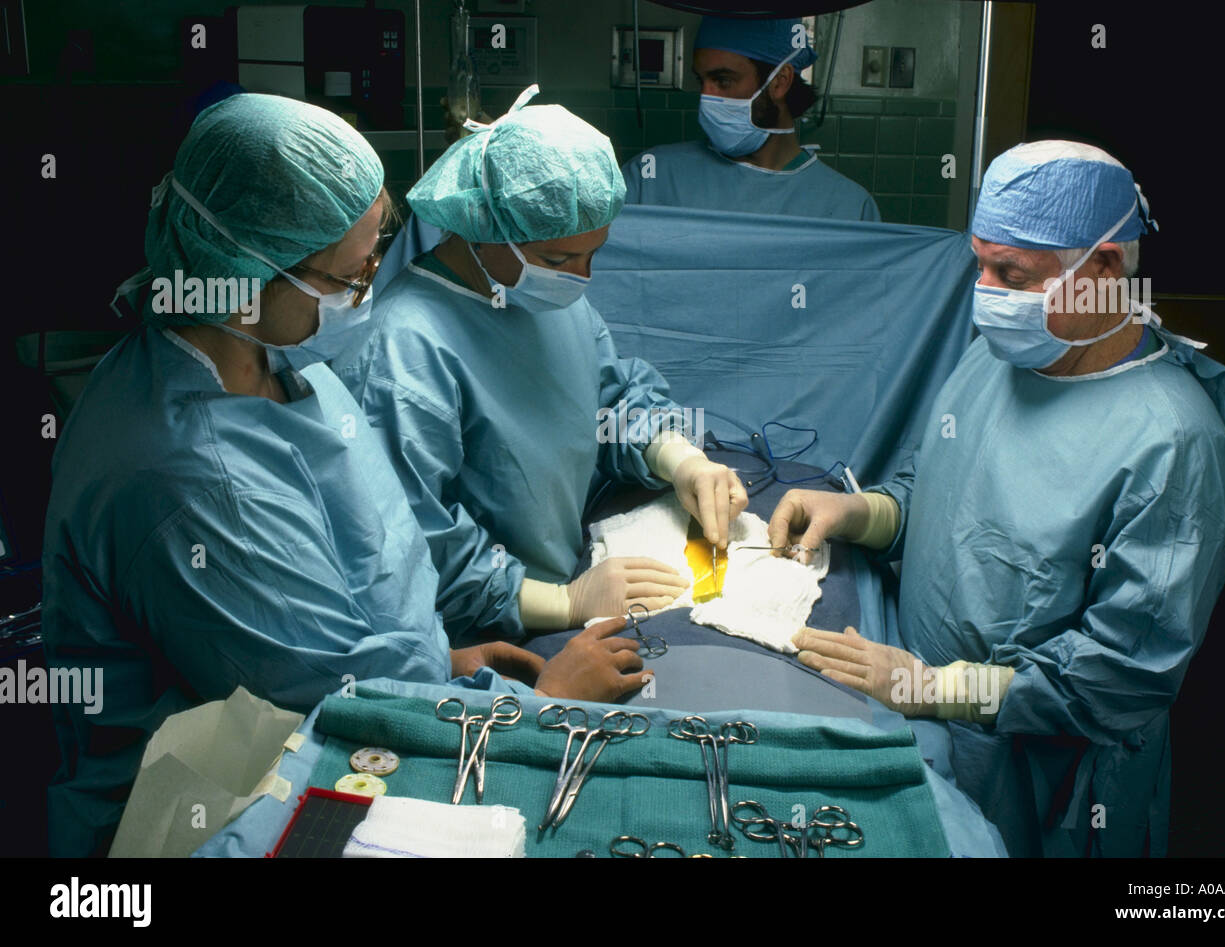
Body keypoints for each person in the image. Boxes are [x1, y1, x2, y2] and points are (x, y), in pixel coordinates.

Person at [42, 93, 648, 858]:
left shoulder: (272, 351)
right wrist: (537, 706)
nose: (370, 288)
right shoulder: (191, 480)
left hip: (389, 698)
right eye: (350, 274)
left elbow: (368, 566)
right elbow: (330, 702)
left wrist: (444, 663)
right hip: (222, 806)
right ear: (245, 271)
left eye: (375, 253)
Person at [768, 140, 1225, 856]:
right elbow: (941, 493)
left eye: (1013, 274)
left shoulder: (1174, 448)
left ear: (1104, 270)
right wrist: (867, 513)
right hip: (923, 721)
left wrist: (938, 689)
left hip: (1042, 778)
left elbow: (1118, 678)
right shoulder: (1003, 353)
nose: (986, 293)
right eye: (980, 264)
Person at [335, 88, 747, 644]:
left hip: (576, 582)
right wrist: (559, 602)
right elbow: (411, 535)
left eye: (593, 255)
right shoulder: (404, 349)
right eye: (559, 260)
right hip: (484, 638)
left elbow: (608, 399)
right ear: (486, 227)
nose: (582, 279)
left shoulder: (546, 299)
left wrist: (682, 460)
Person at [622, 16, 880, 221]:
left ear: (780, 82)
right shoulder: (651, 180)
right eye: (701, 81)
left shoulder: (848, 207)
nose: (706, 97)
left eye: (723, 80)